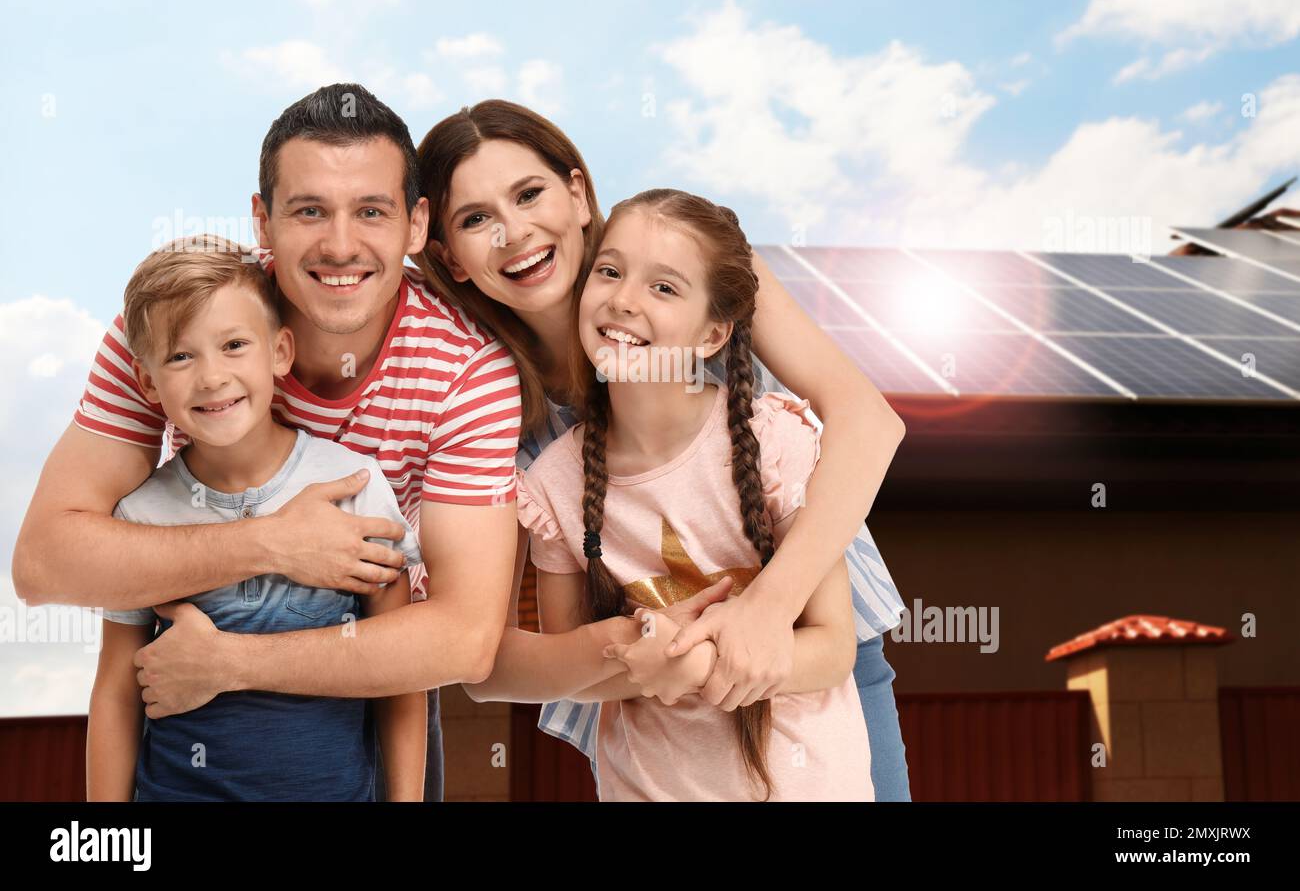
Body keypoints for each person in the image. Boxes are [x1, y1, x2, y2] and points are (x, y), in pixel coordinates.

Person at [14, 83, 523, 801]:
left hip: (365, 683)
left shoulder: (469, 373)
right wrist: (273, 543)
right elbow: (43, 566)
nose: (340, 245)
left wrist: (230, 663)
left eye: (371, 212)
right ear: (263, 221)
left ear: (415, 225)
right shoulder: (174, 331)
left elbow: (461, 640)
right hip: (187, 715)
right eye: (309, 210)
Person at [419, 100, 912, 799]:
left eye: (529, 194)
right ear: (449, 258)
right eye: (475, 219)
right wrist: (643, 655)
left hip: (811, 648)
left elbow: (867, 421)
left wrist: (766, 611)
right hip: (651, 713)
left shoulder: (690, 250)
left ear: (578, 194)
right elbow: (484, 658)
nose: (514, 231)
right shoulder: (492, 404)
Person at [497, 188, 873, 800]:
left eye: (664, 287)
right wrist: (629, 657)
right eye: (610, 272)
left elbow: (833, 649)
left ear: (712, 335)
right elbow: (569, 669)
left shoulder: (771, 438)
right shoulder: (553, 486)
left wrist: (689, 666)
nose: (622, 300)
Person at [88, 238, 425, 801]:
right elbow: (116, 690)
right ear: (148, 383)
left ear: (280, 353)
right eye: (179, 355)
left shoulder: (354, 487)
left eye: (234, 345)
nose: (211, 377)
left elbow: (399, 675)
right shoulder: (140, 517)